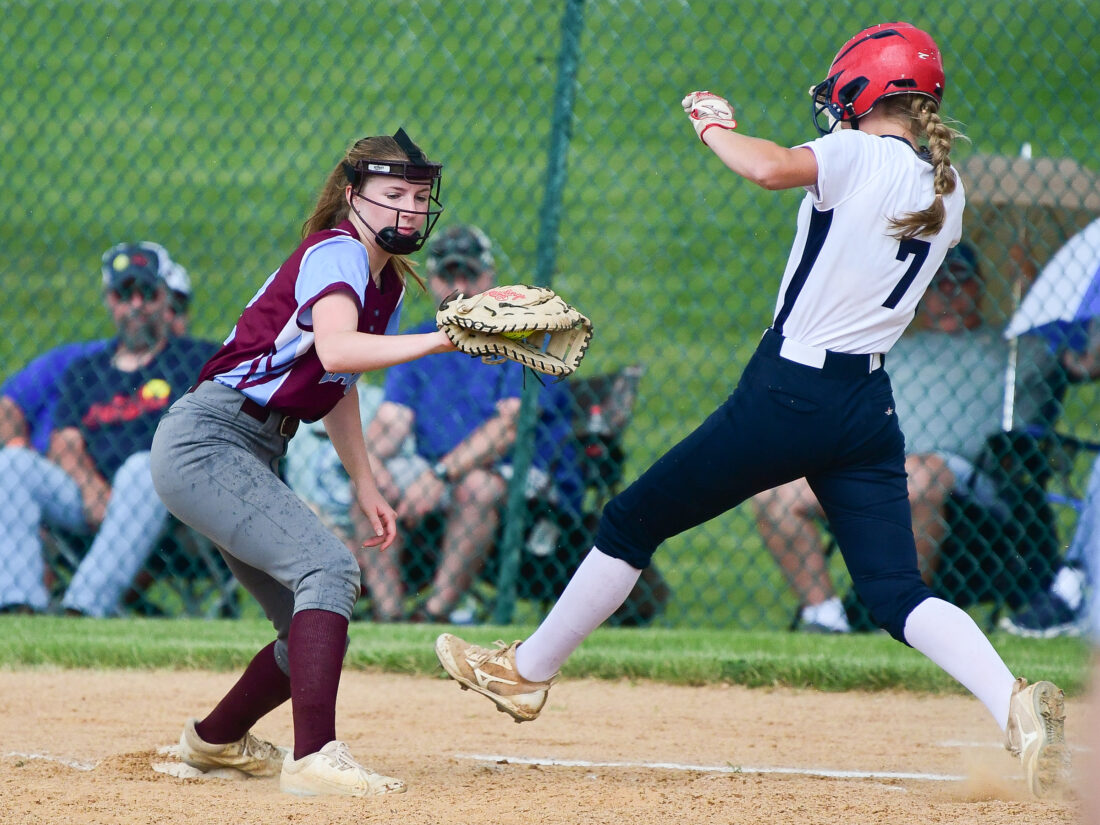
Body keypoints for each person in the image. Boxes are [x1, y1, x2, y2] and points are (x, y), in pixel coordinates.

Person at [434, 23, 1069, 799]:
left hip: (791, 389)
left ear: (868, 88)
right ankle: (1013, 703)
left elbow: (768, 167)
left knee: (630, 520)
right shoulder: (947, 186)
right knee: (896, 591)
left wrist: (712, 125)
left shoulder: (859, 152)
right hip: (867, 403)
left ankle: (525, 672)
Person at [149, 128, 456, 798]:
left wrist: (366, 483)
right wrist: (442, 340)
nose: (409, 209)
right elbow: (340, 350)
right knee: (330, 568)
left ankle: (213, 740)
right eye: (393, 194)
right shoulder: (337, 252)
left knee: (308, 623)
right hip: (209, 441)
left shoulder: (384, 280)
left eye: (418, 197)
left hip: (250, 449)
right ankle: (315, 757)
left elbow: (336, 382)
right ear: (353, 194)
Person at [753, 242, 1059, 632]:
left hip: (971, 485)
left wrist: (1034, 288)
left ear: (980, 286)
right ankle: (825, 619)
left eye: (960, 280)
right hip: (883, 469)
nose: (948, 292)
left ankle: (901, 618)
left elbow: (1083, 359)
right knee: (775, 494)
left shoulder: (1016, 348)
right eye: (937, 284)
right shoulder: (889, 348)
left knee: (922, 473)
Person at [360, 224, 581, 623]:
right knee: (369, 486)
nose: (459, 287)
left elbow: (509, 428)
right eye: (448, 275)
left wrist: (439, 475)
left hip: (524, 475)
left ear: (490, 278)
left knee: (476, 486)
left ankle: (434, 613)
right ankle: (388, 616)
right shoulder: (420, 341)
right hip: (441, 473)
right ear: (432, 281)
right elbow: (392, 421)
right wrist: (370, 466)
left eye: (470, 275)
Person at [0, 242, 214, 616]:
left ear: (165, 298)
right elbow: (64, 441)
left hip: (172, 504)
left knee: (142, 469)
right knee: (13, 464)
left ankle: (82, 609)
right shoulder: (87, 370)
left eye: (147, 293)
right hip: (93, 498)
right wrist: (91, 489)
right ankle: (20, 605)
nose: (136, 305)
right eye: (124, 293)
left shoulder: (196, 359)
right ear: (109, 300)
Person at [0, 241, 193, 454]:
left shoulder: (193, 364)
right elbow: (8, 405)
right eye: (126, 294)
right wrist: (20, 451)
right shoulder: (81, 361)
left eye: (178, 308)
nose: (170, 315)